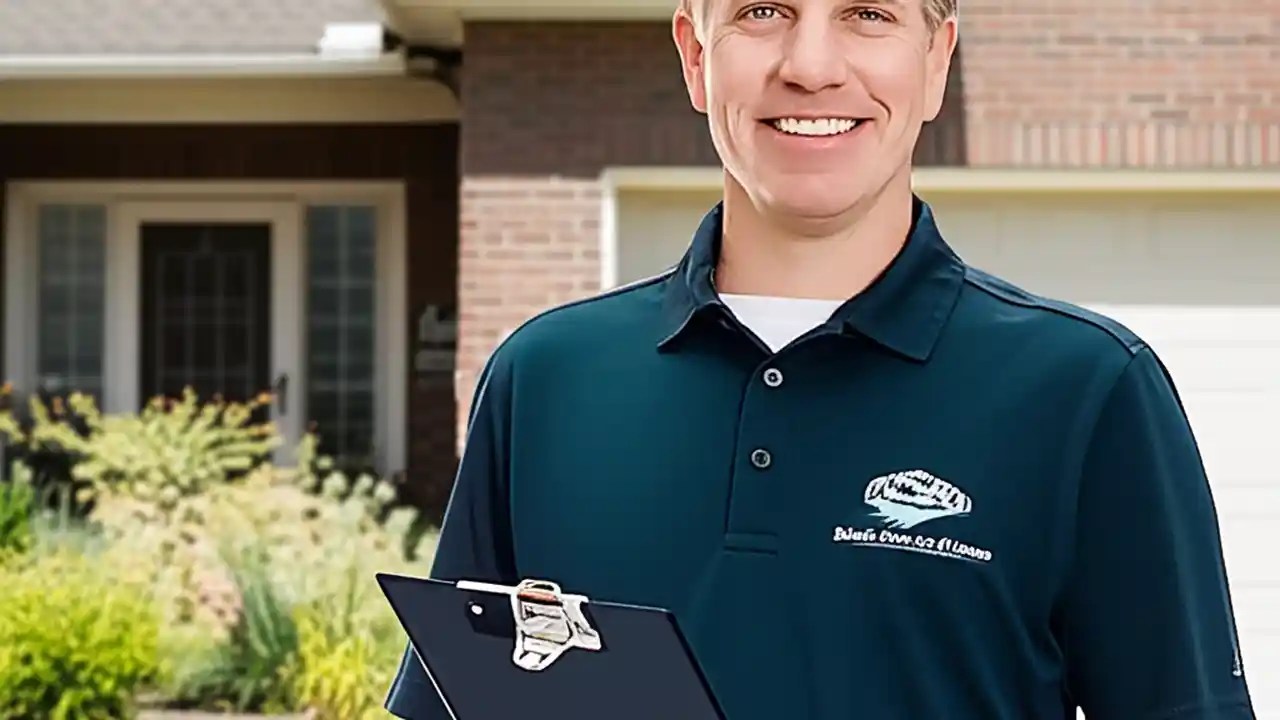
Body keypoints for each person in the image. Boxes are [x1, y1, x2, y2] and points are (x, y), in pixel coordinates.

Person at [384, 0, 1258, 718]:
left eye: (866, 15)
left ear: (935, 61)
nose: (810, 64)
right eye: (763, 12)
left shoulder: (1088, 393)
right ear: (695, 53)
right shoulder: (547, 380)